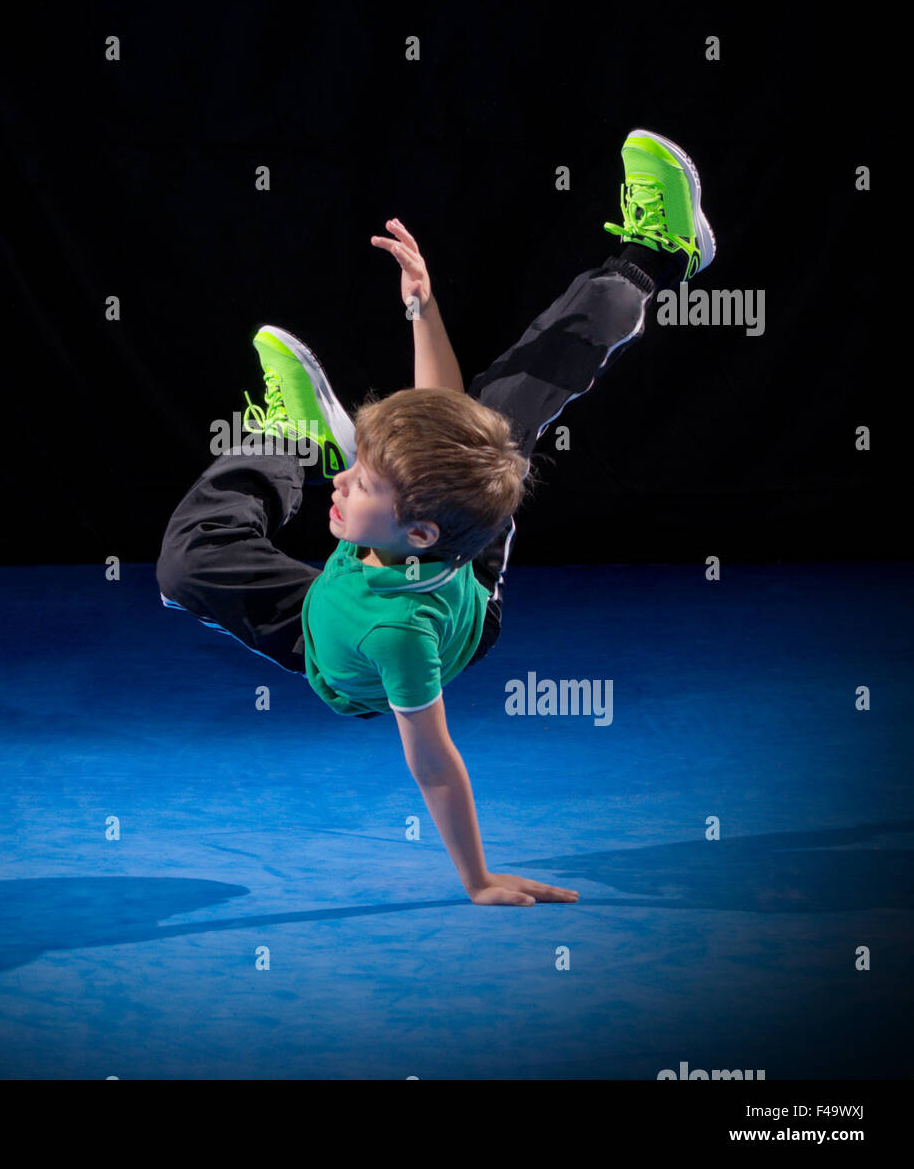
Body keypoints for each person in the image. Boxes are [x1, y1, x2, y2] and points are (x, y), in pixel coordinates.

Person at [157, 128, 716, 905]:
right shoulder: (429, 524)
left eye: (356, 480)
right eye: (351, 467)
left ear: (415, 532)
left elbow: (435, 764)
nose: (340, 482)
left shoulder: (396, 642)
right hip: (457, 567)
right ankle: (661, 256)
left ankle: (286, 438)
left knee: (186, 565)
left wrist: (478, 880)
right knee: (491, 419)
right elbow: (440, 414)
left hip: (330, 645)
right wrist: (423, 304)